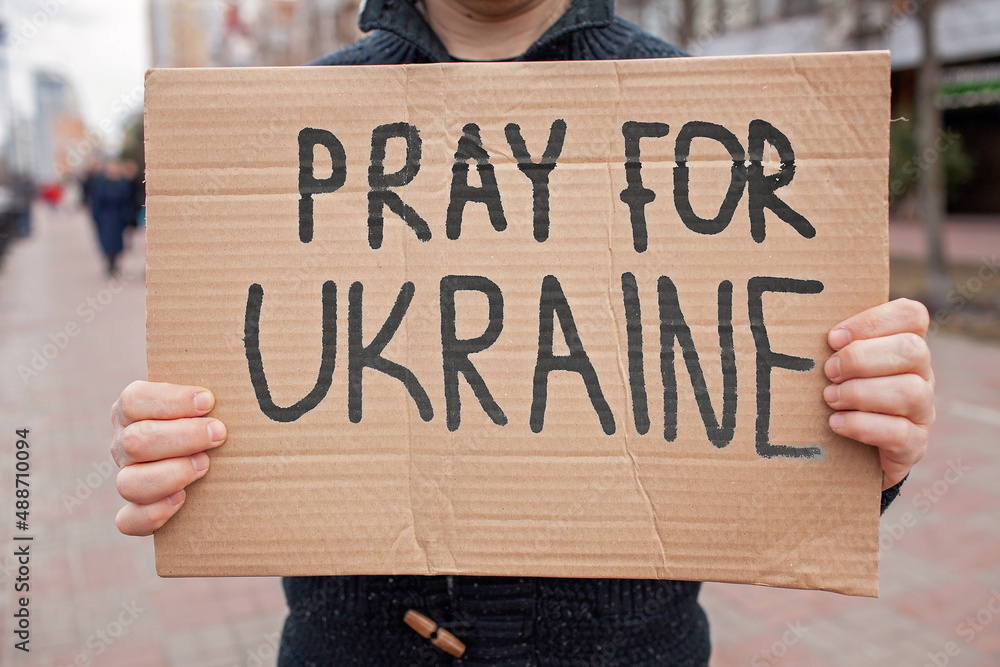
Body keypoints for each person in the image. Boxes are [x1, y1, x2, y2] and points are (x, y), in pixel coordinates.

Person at [111, 1, 935, 664]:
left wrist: (870, 445)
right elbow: (236, 391)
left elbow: (757, 416)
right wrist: (173, 447)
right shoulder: (281, 133)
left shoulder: (718, 119)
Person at [89, 159, 136, 277]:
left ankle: (114, 263)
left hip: (118, 218)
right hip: (106, 218)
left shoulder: (122, 184)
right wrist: (97, 217)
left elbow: (127, 201)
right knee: (107, 242)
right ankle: (109, 263)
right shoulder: (102, 185)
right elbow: (97, 203)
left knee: (118, 243)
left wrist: (127, 217)